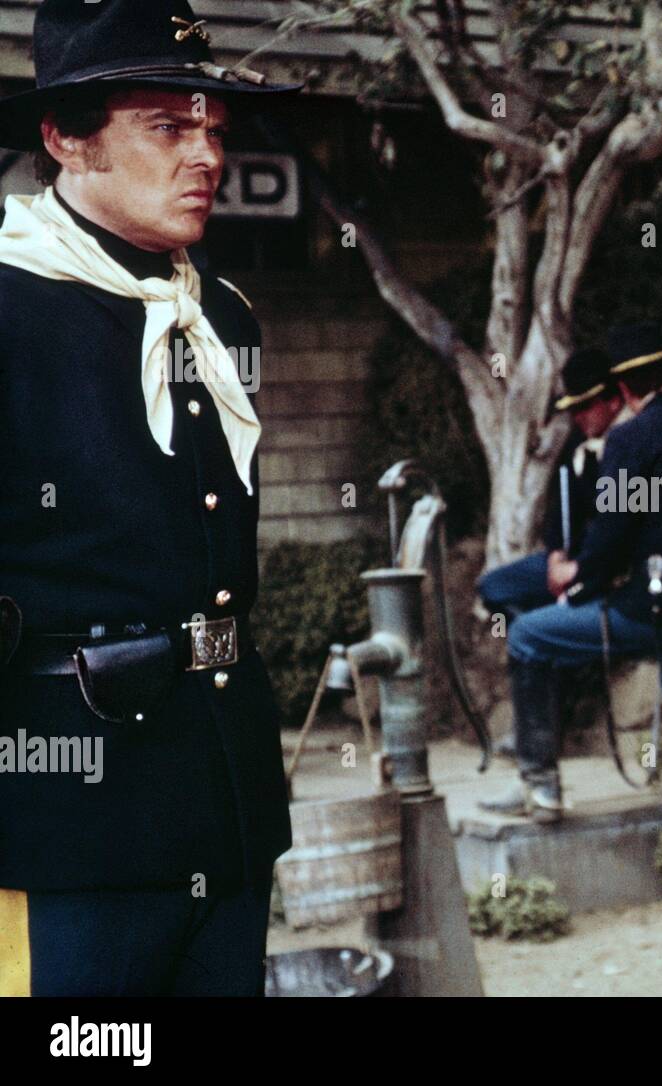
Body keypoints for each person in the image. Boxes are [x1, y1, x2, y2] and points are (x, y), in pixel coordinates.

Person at [0, 0, 299, 996]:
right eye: (167, 127)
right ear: (64, 137)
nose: (206, 155)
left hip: (224, 795)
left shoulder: (219, 315)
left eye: (213, 128)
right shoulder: (10, 306)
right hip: (64, 819)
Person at [483, 322, 662, 926]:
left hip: (642, 610)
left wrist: (579, 582)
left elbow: (610, 537)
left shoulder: (630, 440)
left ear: (626, 387)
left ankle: (542, 785)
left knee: (527, 636)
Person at [476, 346, 628, 759]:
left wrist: (582, 569)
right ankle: (547, 686)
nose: (579, 417)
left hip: (605, 571)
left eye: (586, 407)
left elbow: (619, 530)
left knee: (538, 629)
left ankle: (546, 705)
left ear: (613, 400)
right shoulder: (580, 441)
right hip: (570, 561)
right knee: (496, 587)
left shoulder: (631, 443)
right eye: (573, 409)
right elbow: (561, 506)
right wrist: (558, 554)